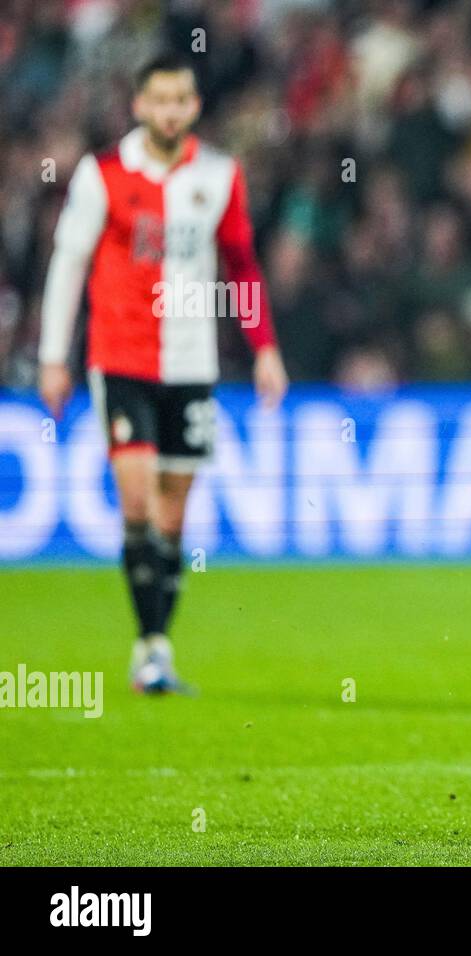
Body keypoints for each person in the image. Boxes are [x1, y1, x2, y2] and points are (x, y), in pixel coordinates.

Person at [38, 52, 288, 693]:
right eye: (160, 99)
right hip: (120, 357)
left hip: (192, 363)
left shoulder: (220, 175)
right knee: (139, 500)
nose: (171, 110)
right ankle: (149, 647)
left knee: (174, 516)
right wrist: (51, 356)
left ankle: (157, 645)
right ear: (140, 106)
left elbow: (241, 265)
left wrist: (263, 347)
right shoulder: (103, 174)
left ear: (194, 107)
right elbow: (68, 264)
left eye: (182, 99)